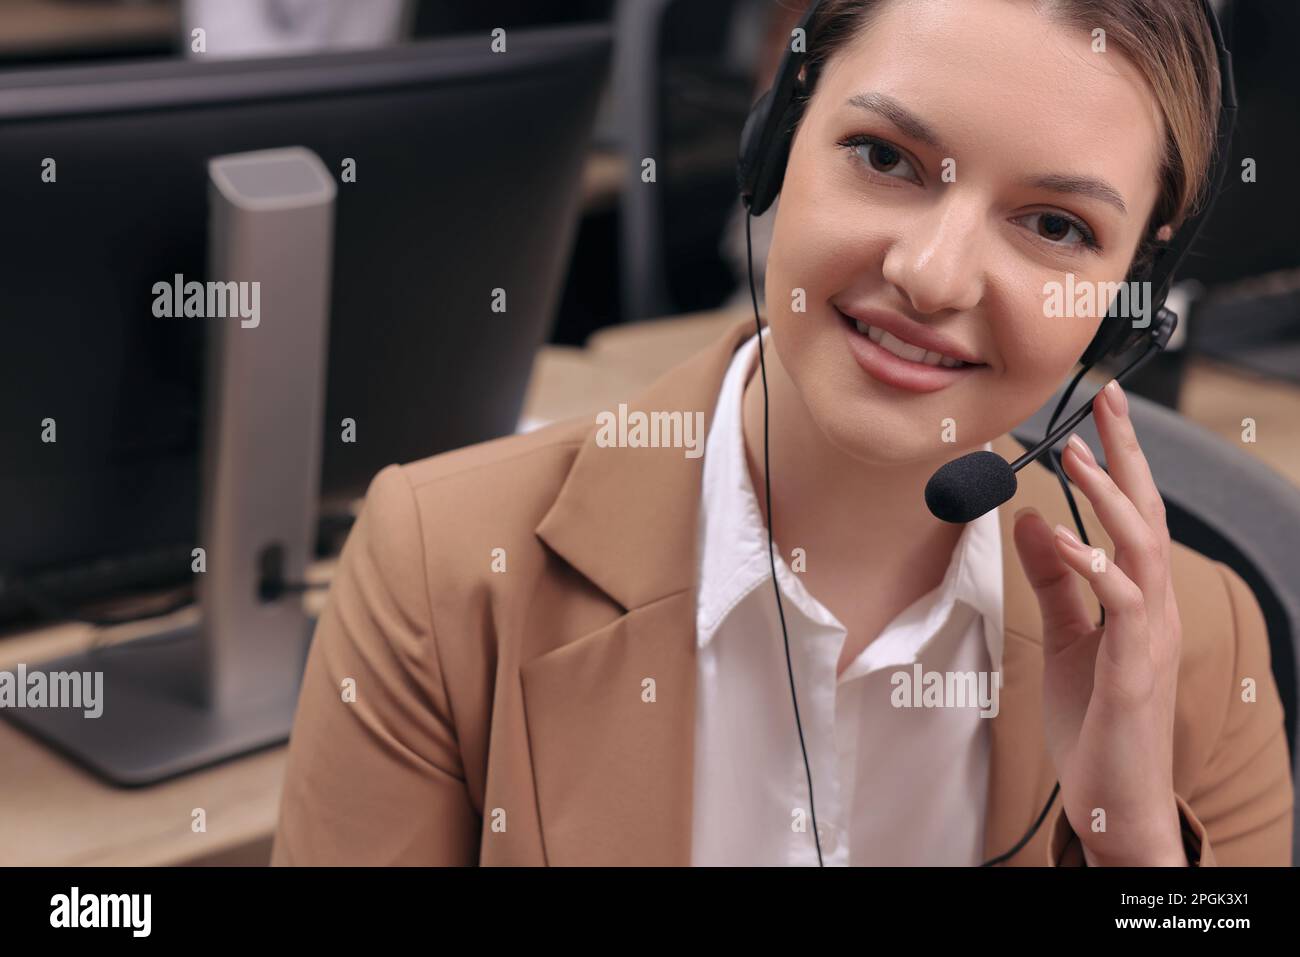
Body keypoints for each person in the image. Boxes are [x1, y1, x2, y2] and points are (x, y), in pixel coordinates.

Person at [271, 0, 1293, 866]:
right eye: (885, 157)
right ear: (773, 151)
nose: (932, 275)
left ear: (1127, 310)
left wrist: (1132, 847)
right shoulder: (443, 568)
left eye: (1055, 226)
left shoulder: (1197, 645)